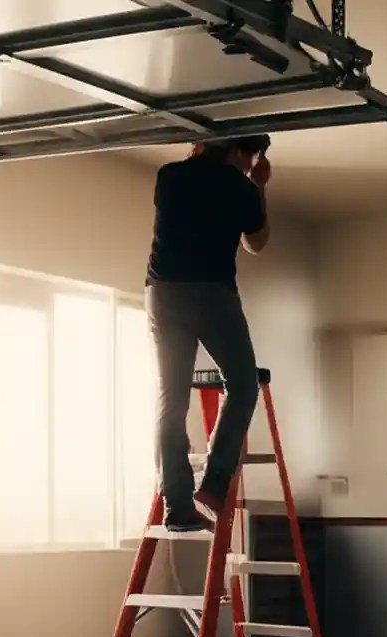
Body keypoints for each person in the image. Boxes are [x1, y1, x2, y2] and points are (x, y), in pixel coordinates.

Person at [145, 135, 272, 532]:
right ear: (239, 151)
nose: (249, 164)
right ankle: (214, 484)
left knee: (172, 399)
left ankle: (177, 507)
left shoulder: (169, 175)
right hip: (212, 292)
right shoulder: (240, 185)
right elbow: (257, 243)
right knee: (243, 384)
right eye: (249, 157)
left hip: (162, 293)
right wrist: (259, 185)